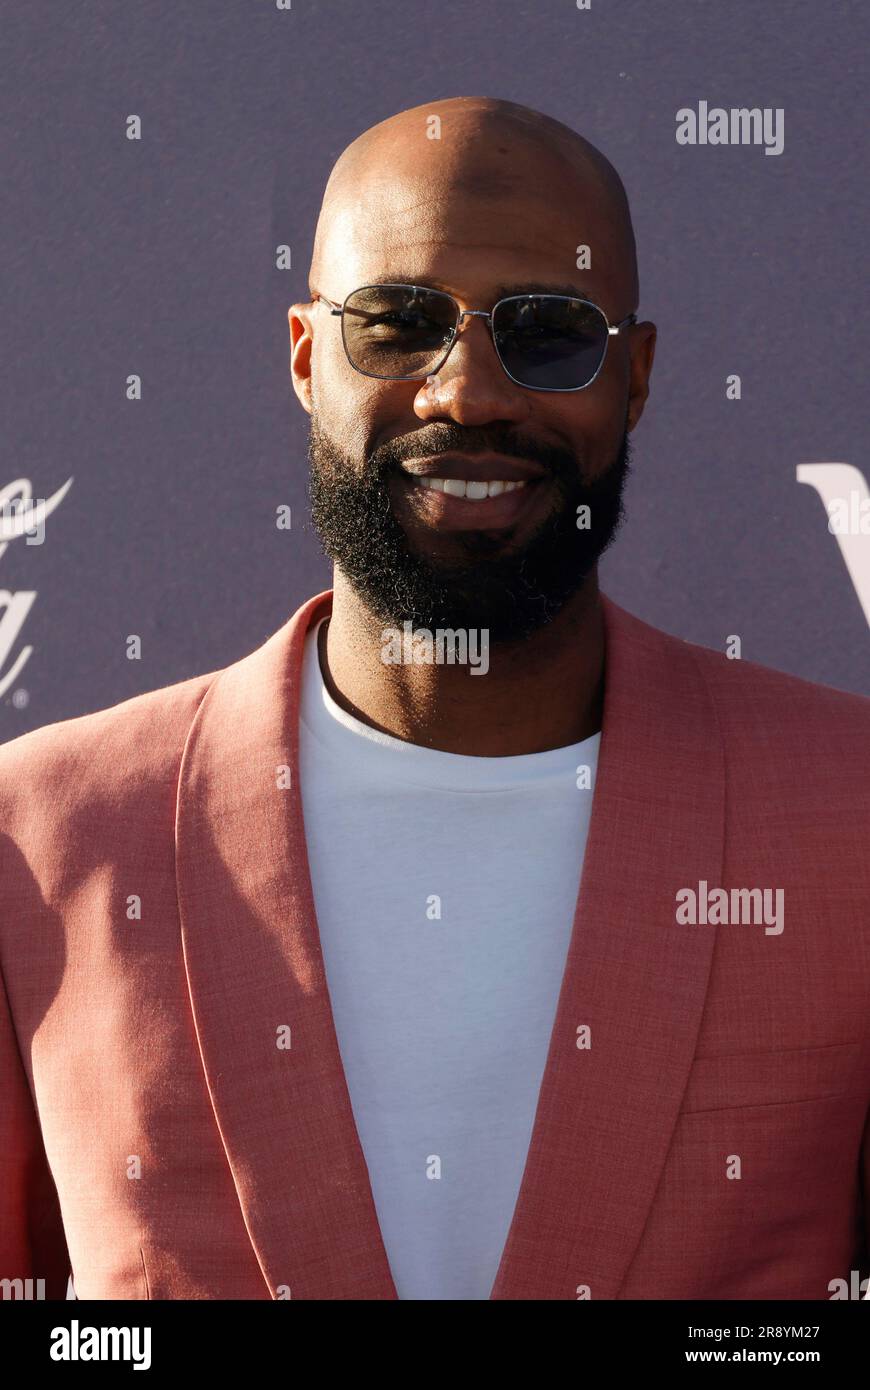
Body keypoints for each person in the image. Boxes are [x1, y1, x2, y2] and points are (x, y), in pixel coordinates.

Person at [0, 96, 868, 1302]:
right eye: (398, 326)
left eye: (550, 334)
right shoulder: (41, 839)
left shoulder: (848, 815)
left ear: (639, 376)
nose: (467, 394)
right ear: (305, 357)